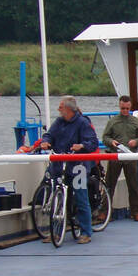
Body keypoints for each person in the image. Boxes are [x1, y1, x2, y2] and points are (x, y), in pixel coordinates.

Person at [26, 94, 97, 243]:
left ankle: (86, 232)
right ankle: (56, 232)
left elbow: (93, 142)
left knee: (81, 197)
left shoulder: (83, 123)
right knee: (56, 197)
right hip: (60, 164)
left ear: (69, 110)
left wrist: (82, 146)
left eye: (61, 107)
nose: (58, 109)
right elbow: (49, 135)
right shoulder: (59, 122)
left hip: (78, 166)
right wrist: (45, 142)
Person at [102, 95, 138, 222]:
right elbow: (105, 137)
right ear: (119, 107)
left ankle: (136, 212)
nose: (125, 111)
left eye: (127, 108)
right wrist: (111, 142)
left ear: (130, 107)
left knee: (133, 185)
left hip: (130, 156)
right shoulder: (113, 121)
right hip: (115, 155)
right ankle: (105, 212)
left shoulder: (135, 121)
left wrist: (136, 141)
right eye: (122, 108)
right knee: (109, 184)